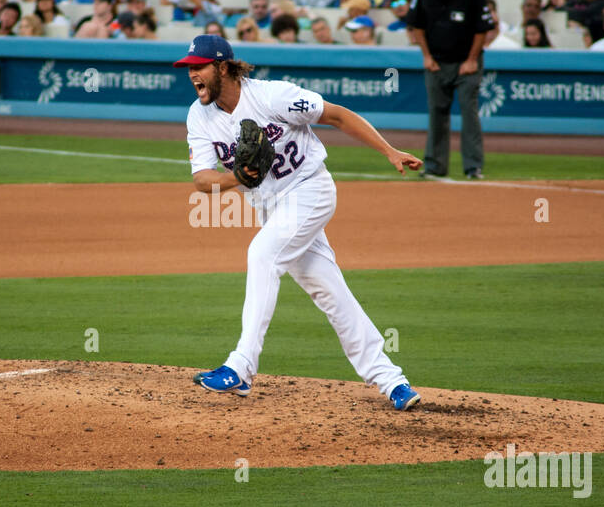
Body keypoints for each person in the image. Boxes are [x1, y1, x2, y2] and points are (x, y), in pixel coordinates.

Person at [177, 34, 423, 411]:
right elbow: (202, 181)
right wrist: (238, 178)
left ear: (223, 67)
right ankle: (393, 381)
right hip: (271, 208)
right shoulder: (199, 115)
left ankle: (241, 366)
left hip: (310, 190)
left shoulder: (274, 96)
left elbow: (337, 115)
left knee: (262, 254)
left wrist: (389, 151)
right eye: (189, 68)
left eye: (199, 67)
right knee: (330, 292)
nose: (192, 74)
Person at [406, 0, 494, 180]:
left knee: (469, 112)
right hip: (436, 62)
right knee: (437, 113)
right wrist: (426, 56)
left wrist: (472, 59)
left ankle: (473, 167)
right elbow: (417, 25)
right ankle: (434, 166)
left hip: (467, 63)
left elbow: (482, 29)